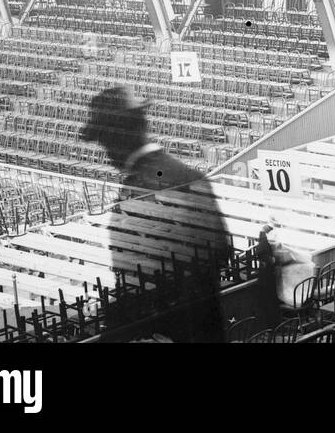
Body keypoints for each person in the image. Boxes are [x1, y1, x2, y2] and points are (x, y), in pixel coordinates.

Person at [81, 85, 230, 341]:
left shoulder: (140, 187)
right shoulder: (187, 175)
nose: (106, 152)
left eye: (105, 140)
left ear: (116, 140)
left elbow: (139, 281)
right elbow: (222, 250)